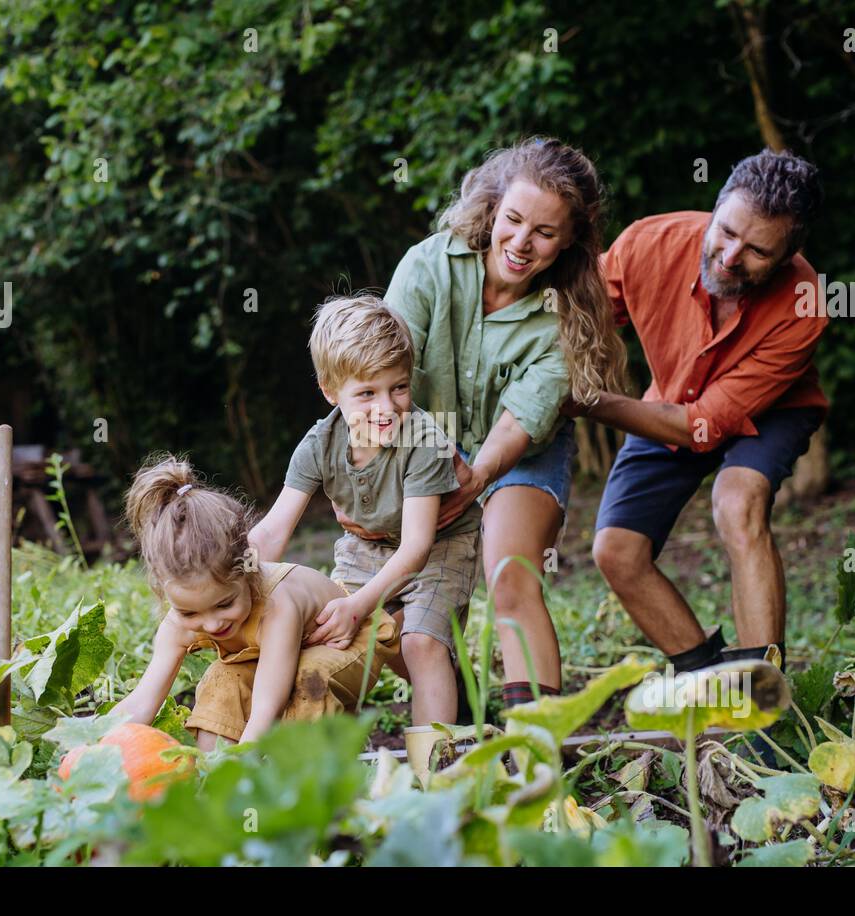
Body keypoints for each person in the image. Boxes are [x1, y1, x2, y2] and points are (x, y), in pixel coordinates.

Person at [352, 136, 628, 709]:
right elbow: (381, 375)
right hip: (417, 445)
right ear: (494, 208)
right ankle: (464, 704)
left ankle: (538, 743)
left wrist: (473, 477)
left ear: (570, 239)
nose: (521, 243)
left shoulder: (565, 318)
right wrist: (367, 470)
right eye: (514, 220)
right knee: (376, 601)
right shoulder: (430, 265)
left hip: (520, 453)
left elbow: (516, 427)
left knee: (510, 574)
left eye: (545, 233)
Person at [570, 148, 827, 673]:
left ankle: (761, 695)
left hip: (773, 409)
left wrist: (588, 401)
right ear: (715, 208)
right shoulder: (649, 243)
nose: (731, 256)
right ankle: (709, 677)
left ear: (787, 256)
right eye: (726, 231)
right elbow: (576, 316)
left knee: (737, 502)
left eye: (757, 250)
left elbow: (702, 429)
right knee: (616, 550)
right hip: (673, 398)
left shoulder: (805, 304)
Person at [247, 294, 482, 726]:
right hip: (366, 544)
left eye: (399, 388)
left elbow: (415, 548)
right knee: (349, 636)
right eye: (367, 393)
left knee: (418, 642)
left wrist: (357, 604)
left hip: (440, 544)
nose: (387, 407)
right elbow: (271, 533)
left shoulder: (423, 439)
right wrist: (226, 575)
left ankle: (436, 774)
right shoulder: (319, 444)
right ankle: (456, 702)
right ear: (330, 392)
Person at [110, 453, 399, 750]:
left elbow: (265, 709)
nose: (210, 623)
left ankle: (306, 782)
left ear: (248, 571)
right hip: (276, 653)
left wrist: (242, 764)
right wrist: (97, 745)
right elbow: (144, 700)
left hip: (345, 637)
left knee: (308, 679)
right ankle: (213, 777)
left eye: (224, 604)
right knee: (221, 679)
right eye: (189, 612)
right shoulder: (177, 624)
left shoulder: (277, 607)